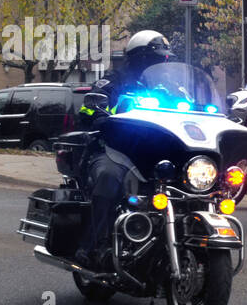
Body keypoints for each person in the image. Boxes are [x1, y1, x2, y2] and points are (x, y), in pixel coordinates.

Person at [74, 30, 173, 269]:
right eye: (154, 59)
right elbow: (87, 110)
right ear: (137, 58)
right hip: (115, 152)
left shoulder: (167, 89)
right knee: (108, 178)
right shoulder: (111, 83)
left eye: (163, 59)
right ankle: (95, 245)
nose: (160, 63)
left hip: (155, 157)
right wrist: (97, 113)